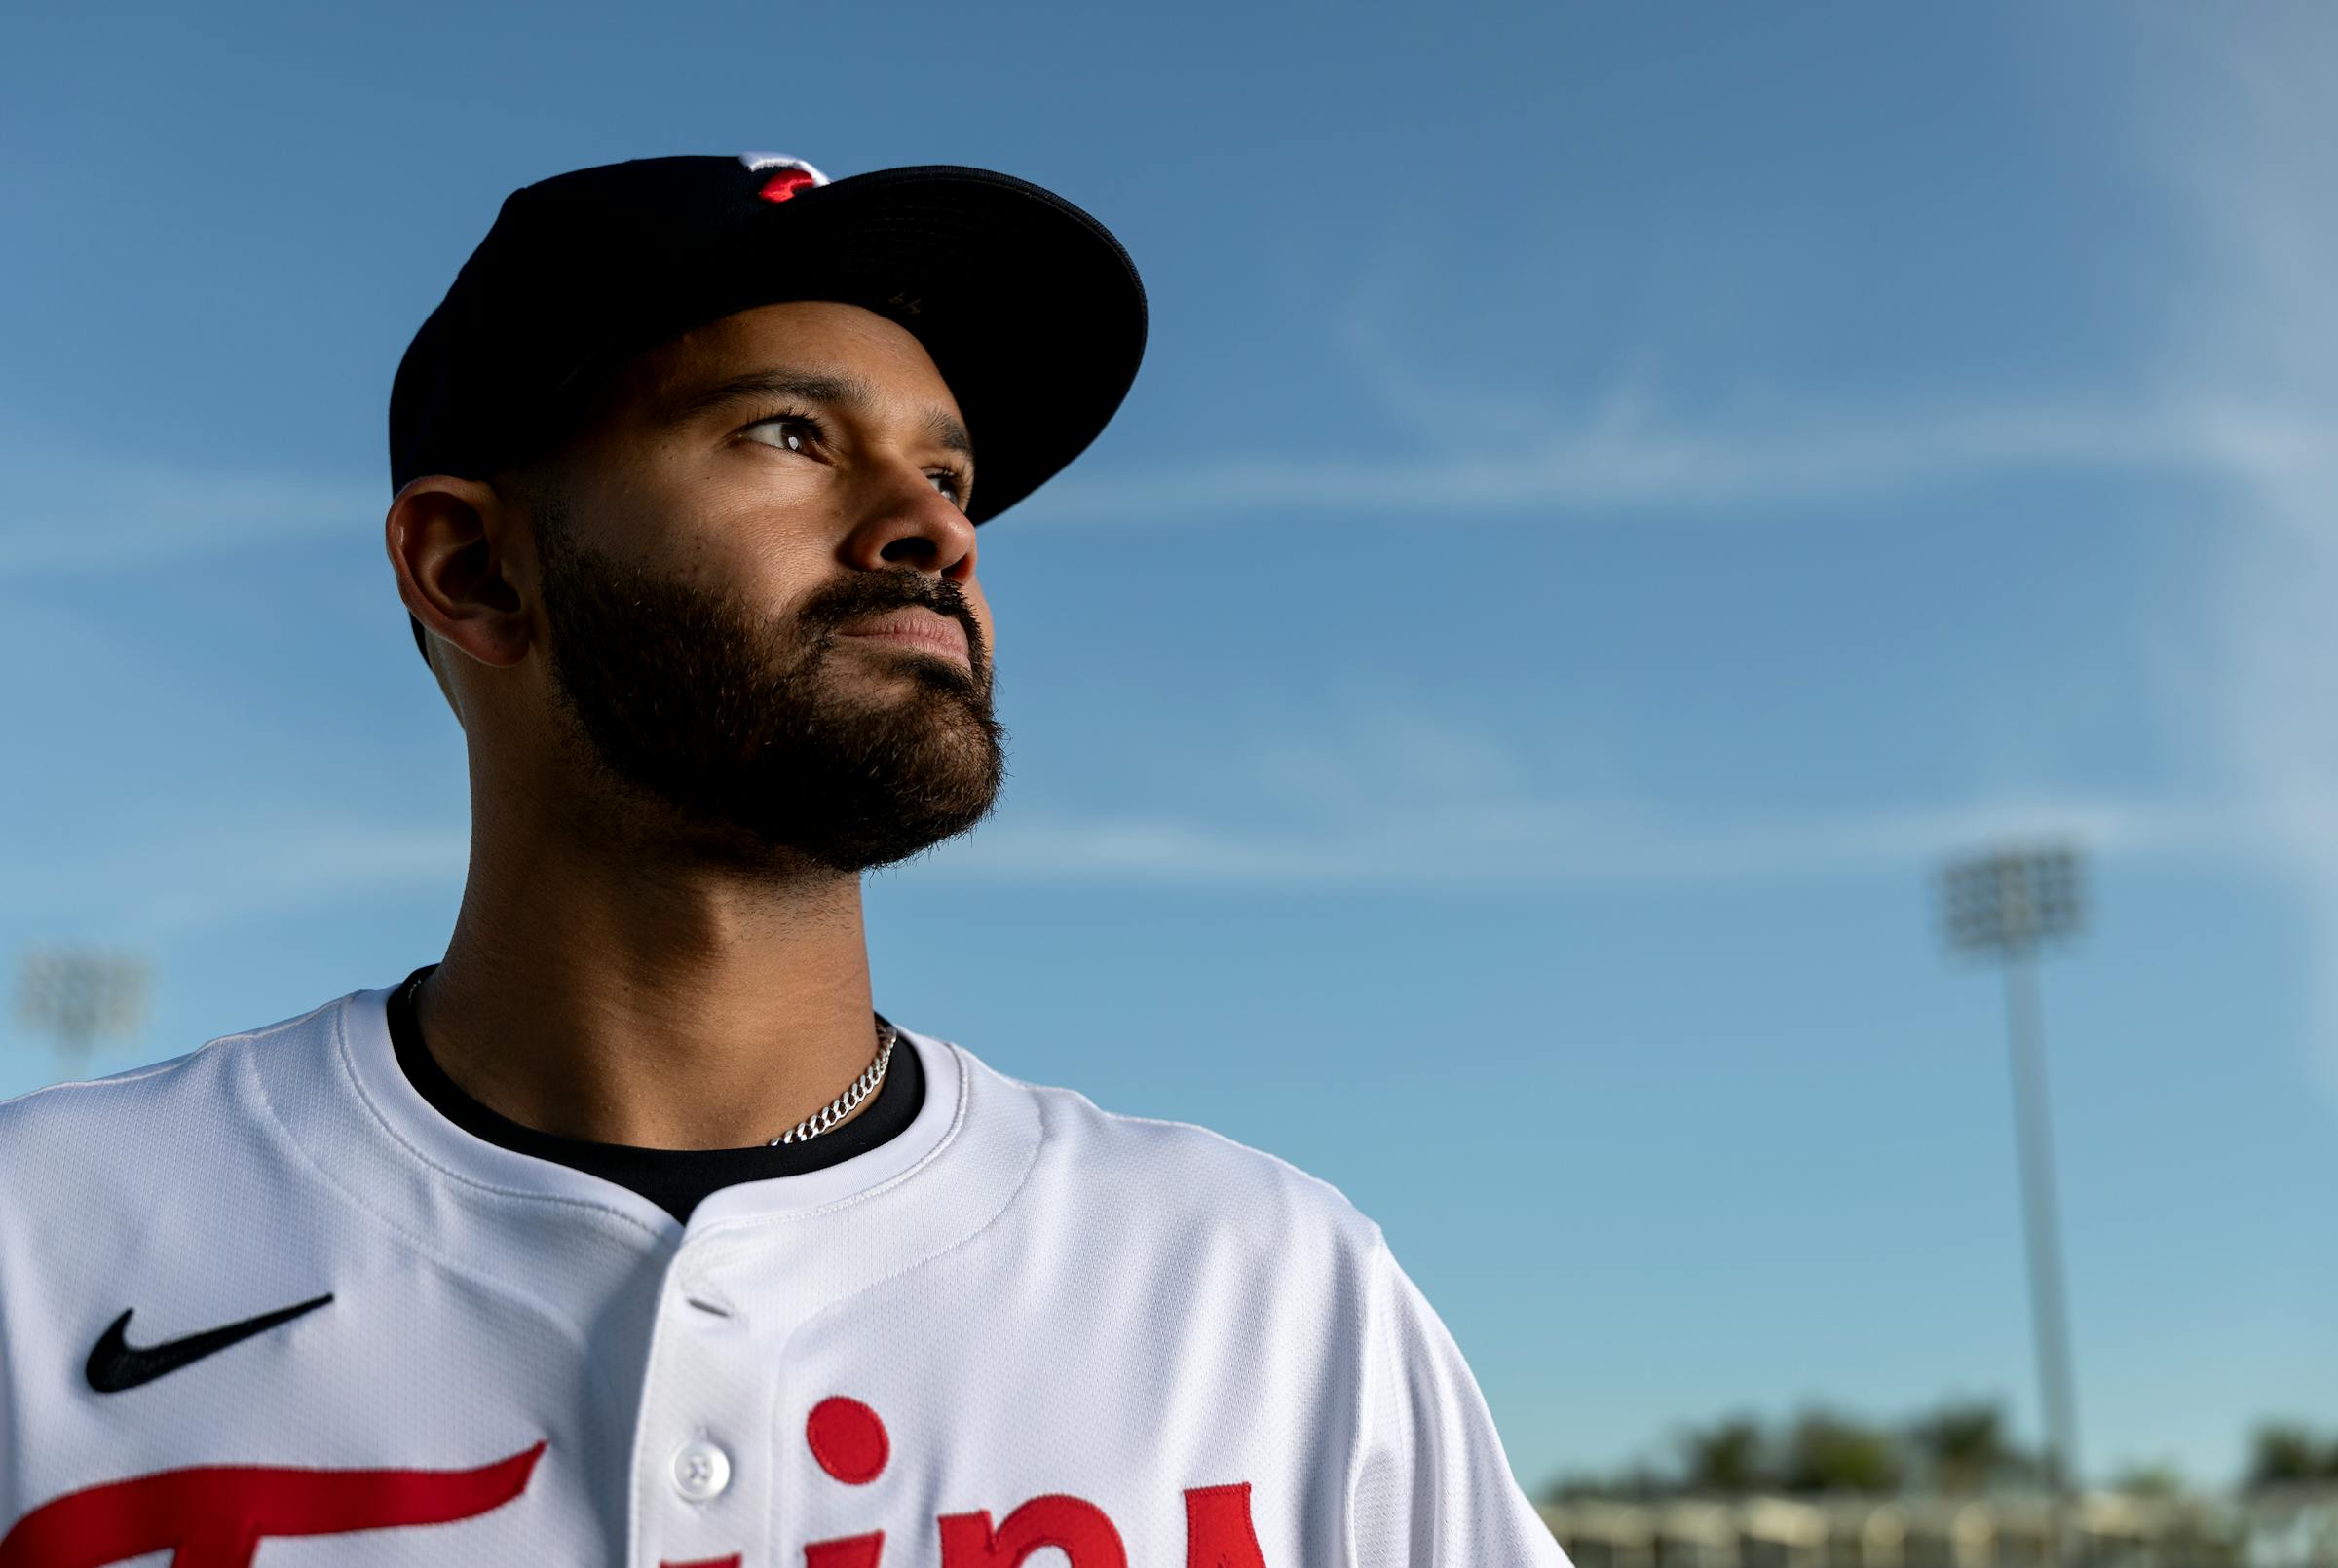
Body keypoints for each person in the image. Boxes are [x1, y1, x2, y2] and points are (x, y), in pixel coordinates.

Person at [0, 152, 1570, 1567]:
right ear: (472, 568)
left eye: (948, 475)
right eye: (790, 432)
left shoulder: (1263, 1291)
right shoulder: (42, 1243)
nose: (935, 531)